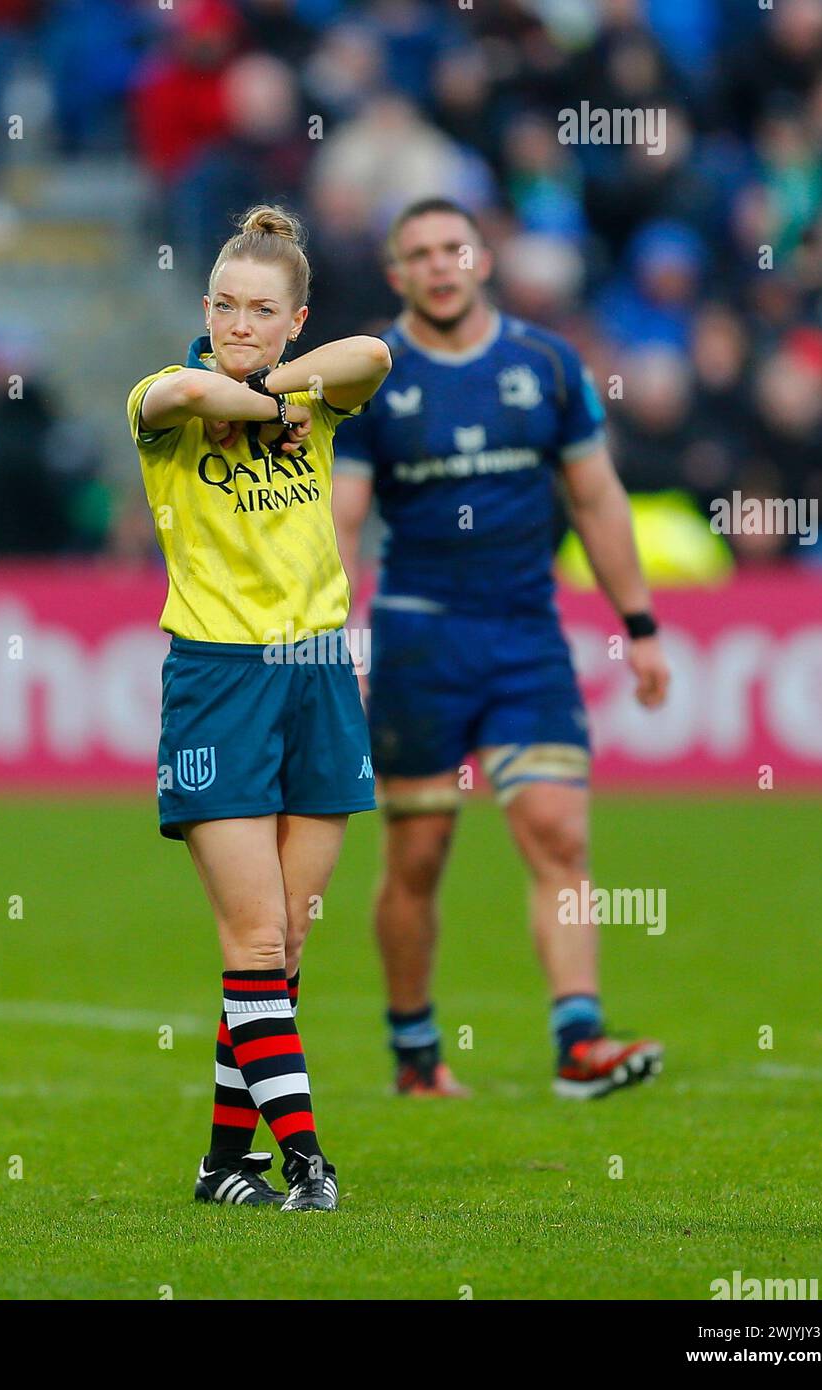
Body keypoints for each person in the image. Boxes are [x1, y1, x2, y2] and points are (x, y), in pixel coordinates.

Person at [332, 198, 670, 1100]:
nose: (439, 266)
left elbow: (596, 498)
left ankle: (578, 1043)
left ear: (482, 259)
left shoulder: (547, 365)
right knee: (418, 855)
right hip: (418, 643)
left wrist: (639, 625)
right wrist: (333, 636)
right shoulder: (370, 377)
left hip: (526, 636)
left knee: (559, 833)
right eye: (418, 255)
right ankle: (415, 1048)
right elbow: (343, 519)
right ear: (397, 274)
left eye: (453, 248)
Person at [126, 205, 390, 1209]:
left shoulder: (315, 393)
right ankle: (307, 1161)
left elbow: (374, 354)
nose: (240, 324)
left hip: (319, 673)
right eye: (226, 305)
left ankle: (222, 1166)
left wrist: (282, 391)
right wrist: (258, 403)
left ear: (295, 320)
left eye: (263, 311)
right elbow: (189, 389)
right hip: (222, 683)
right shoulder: (166, 400)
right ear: (205, 308)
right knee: (258, 943)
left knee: (287, 949)